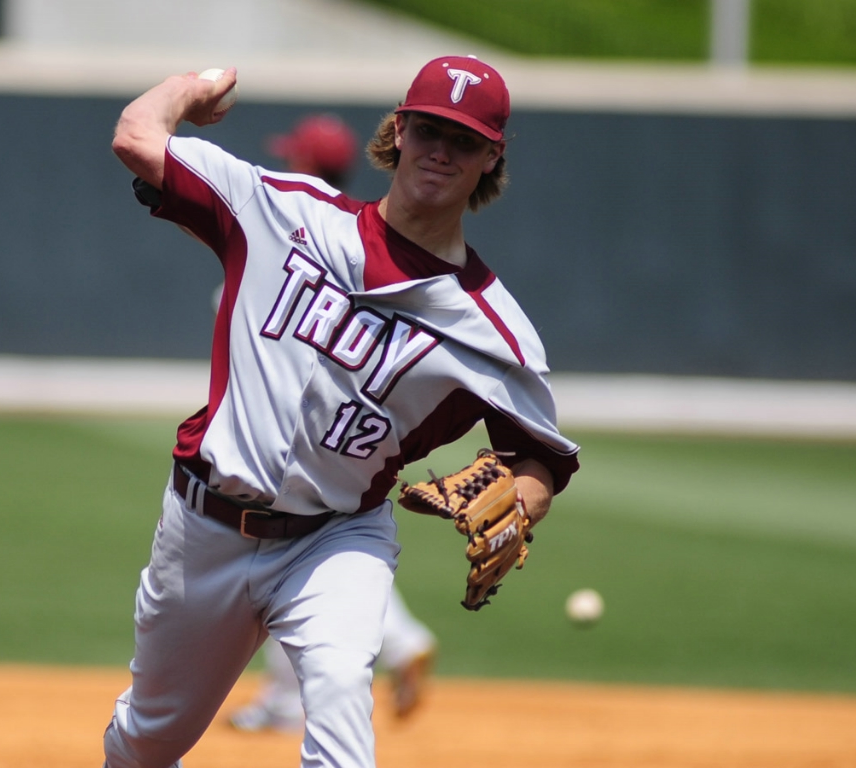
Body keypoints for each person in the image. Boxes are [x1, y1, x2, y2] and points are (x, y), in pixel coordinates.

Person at [105, 54, 581, 768]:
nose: (441, 151)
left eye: (464, 141)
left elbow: (541, 455)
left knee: (337, 708)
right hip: (204, 527)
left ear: (492, 158)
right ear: (399, 130)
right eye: (428, 130)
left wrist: (525, 501)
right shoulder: (283, 209)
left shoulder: (492, 328)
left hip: (337, 538)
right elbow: (138, 139)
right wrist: (191, 90)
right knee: (148, 739)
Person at [228, 112, 438, 734]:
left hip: (293, 439)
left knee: (277, 554)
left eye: (295, 157)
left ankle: (286, 700)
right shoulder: (364, 240)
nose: (286, 163)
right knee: (319, 563)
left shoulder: (302, 233)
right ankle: (398, 640)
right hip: (345, 438)